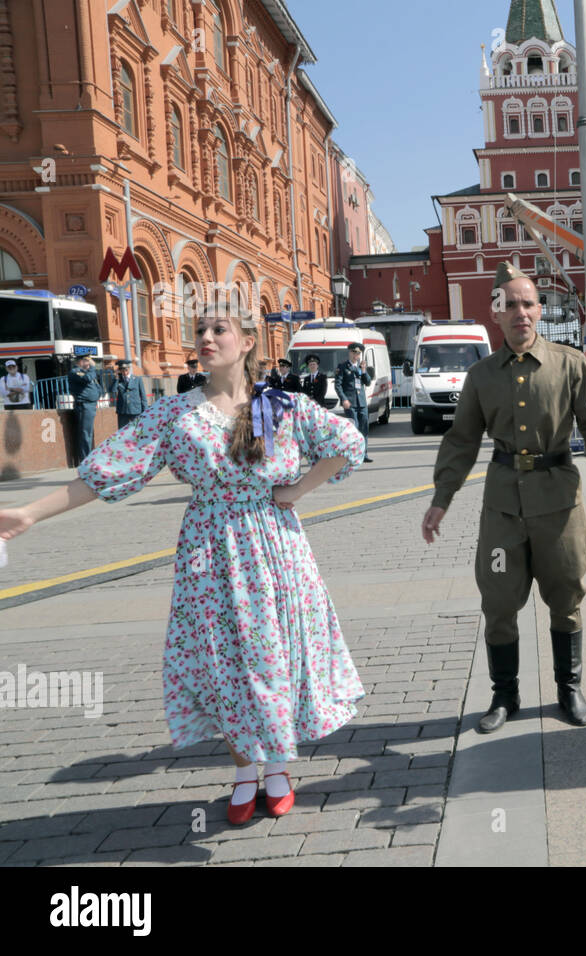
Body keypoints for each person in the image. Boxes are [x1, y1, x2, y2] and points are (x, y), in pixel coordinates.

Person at [0, 307, 366, 823]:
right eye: (200, 330)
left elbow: (347, 443)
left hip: (275, 546)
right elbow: (107, 471)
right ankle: (244, 771)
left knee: (276, 652)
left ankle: (279, 769)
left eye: (219, 330)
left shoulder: (281, 405)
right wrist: (28, 514)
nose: (207, 338)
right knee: (223, 661)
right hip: (208, 552)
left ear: (246, 343)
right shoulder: (176, 414)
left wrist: (297, 490)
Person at [421, 262, 586, 733]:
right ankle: (504, 695)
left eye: (528, 303)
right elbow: (461, 440)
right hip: (502, 509)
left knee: (566, 594)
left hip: (559, 503)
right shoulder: (481, 375)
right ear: (496, 313)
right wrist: (442, 497)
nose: (520, 313)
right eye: (509, 305)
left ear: (539, 309)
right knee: (498, 600)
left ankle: (568, 689)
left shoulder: (570, 364)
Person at [334, 343, 373, 463]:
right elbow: (338, 385)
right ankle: (353, 455)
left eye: (358, 353)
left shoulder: (360, 368)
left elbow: (367, 382)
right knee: (354, 429)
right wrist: (344, 399)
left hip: (362, 403)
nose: (356, 355)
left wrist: (364, 371)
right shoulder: (343, 367)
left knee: (364, 428)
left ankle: (364, 454)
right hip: (350, 403)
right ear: (349, 353)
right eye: (354, 353)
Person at [67, 354, 102, 464]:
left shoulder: (86, 372)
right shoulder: (75, 371)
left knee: (88, 433)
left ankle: (89, 457)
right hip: (84, 405)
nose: (89, 363)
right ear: (80, 361)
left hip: (90, 405)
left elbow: (96, 385)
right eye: (87, 361)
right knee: (85, 433)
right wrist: (92, 367)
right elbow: (87, 378)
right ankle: (85, 459)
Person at [113, 360, 147, 428]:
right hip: (123, 411)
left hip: (135, 410)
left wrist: (145, 410)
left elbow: (143, 396)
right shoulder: (118, 380)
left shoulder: (137, 379)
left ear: (129, 369)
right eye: (122, 370)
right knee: (122, 432)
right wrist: (116, 378)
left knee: (136, 431)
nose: (125, 372)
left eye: (126, 370)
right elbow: (113, 390)